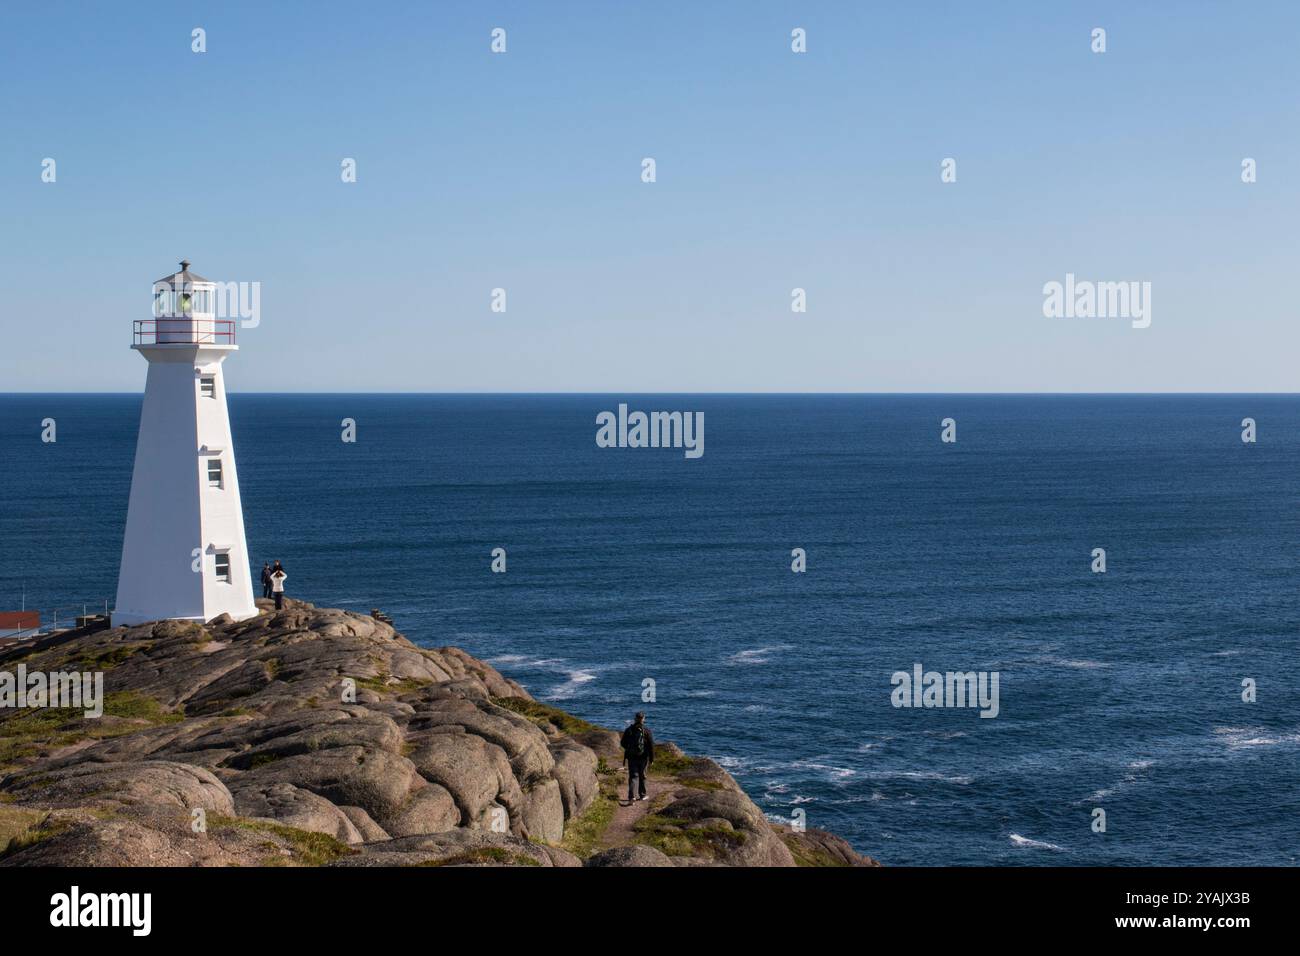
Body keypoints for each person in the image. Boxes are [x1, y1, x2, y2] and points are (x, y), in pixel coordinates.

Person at [620, 711, 654, 803]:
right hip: (643, 757)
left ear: (635, 718)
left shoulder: (629, 730)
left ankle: (632, 797)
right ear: (643, 719)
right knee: (643, 776)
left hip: (632, 757)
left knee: (633, 776)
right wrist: (651, 759)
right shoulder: (647, 731)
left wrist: (630, 748)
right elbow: (651, 746)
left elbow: (622, 743)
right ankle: (642, 795)